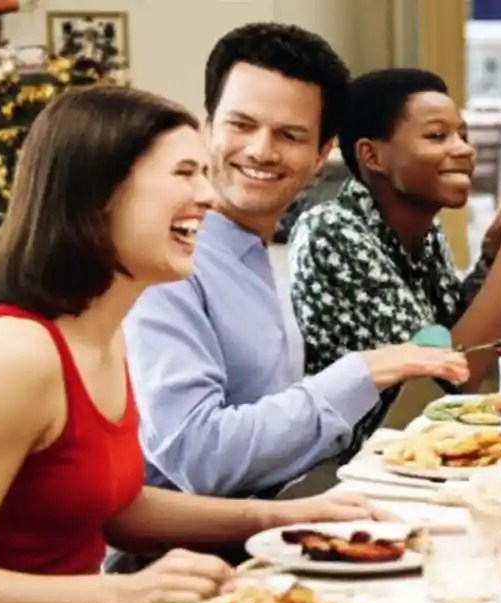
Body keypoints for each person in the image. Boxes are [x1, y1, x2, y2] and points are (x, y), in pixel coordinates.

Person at [0, 86, 392, 603]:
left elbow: (117, 508)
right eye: (184, 173)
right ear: (100, 194)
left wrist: (280, 518)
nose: (208, 195)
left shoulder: (105, 334)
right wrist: (123, 596)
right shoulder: (16, 354)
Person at [123, 24, 469, 501]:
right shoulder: (168, 263)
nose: (262, 150)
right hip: (186, 557)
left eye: (289, 135)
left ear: (321, 154)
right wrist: (364, 371)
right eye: (241, 125)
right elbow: (198, 459)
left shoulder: (257, 253)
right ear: (207, 128)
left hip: (285, 519)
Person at [289, 68, 501, 443]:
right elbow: (451, 380)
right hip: (351, 465)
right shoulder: (331, 231)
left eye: (462, 135)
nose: (464, 149)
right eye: (437, 136)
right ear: (372, 155)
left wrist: (494, 255)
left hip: (421, 439)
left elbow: (450, 339)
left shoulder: (422, 228)